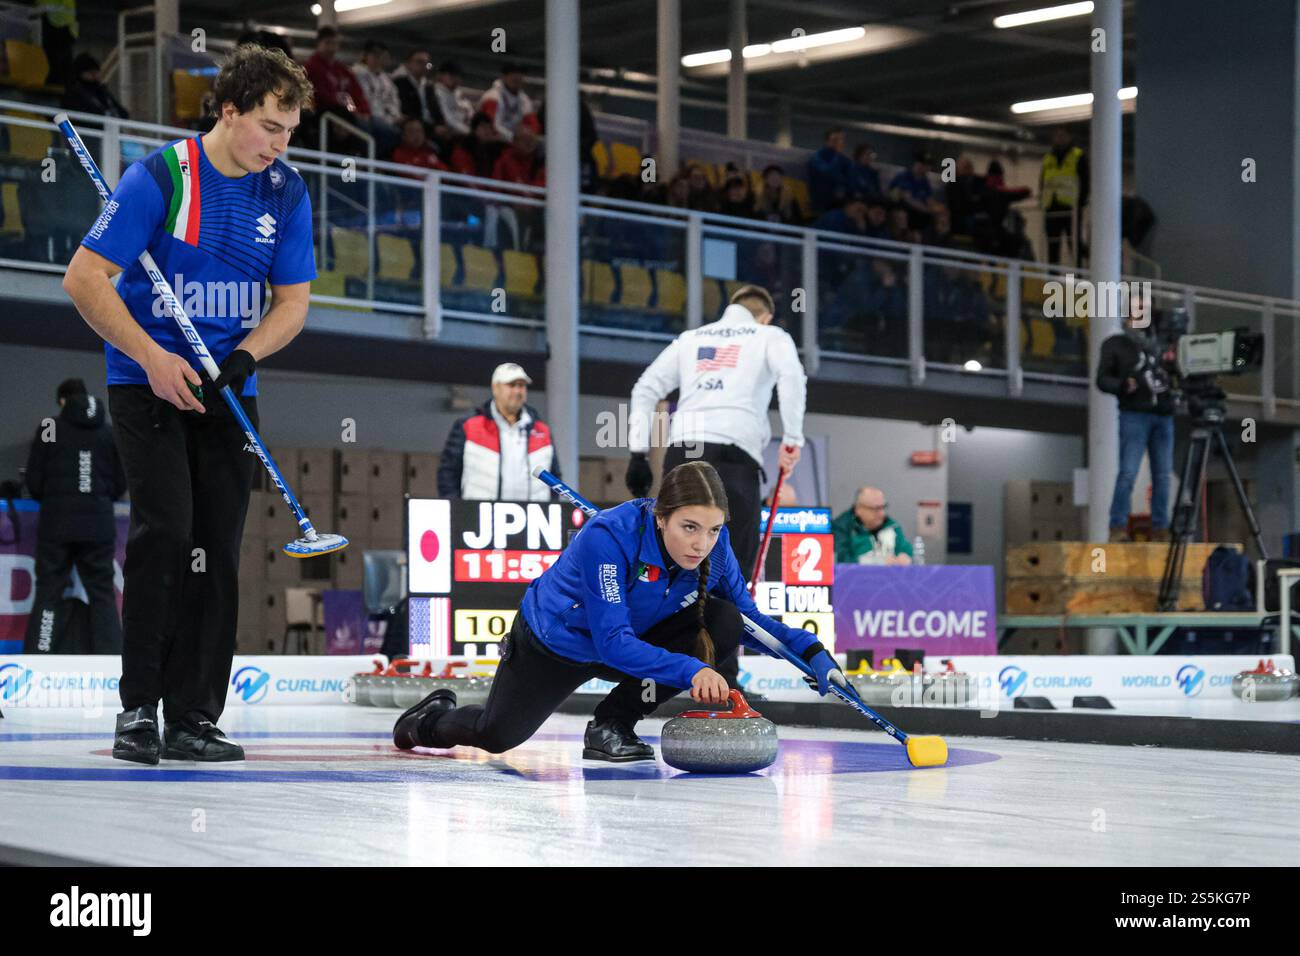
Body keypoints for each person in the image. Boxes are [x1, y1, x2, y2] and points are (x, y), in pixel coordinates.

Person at [61, 44, 317, 764]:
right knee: (165, 535)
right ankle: (139, 708)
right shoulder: (159, 179)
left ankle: (195, 716)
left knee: (217, 551)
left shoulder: (286, 192)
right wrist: (150, 353)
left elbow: (293, 303)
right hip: (147, 382)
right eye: (270, 126)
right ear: (228, 110)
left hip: (228, 389)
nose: (280, 143)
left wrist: (245, 356)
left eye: (290, 130)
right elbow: (84, 279)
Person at [393, 461, 845, 760]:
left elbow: (748, 621)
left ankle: (612, 726)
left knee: (723, 621)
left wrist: (813, 653)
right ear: (661, 516)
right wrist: (691, 671)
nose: (701, 543)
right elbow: (612, 643)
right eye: (689, 527)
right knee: (495, 737)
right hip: (557, 643)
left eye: (711, 530)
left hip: (633, 642)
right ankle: (428, 722)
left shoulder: (714, 545)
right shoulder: (606, 539)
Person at [624, 284, 806, 691]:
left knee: (667, 563)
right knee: (728, 570)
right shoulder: (769, 336)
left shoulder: (691, 339)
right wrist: (793, 438)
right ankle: (721, 680)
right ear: (765, 316)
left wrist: (638, 452)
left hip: (682, 456)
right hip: (735, 460)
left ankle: (655, 670)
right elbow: (792, 376)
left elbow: (645, 388)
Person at [23, 379, 126, 654]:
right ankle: (110, 657)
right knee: (102, 593)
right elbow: (120, 483)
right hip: (99, 526)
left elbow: (33, 482)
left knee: (49, 591)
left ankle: (39, 654)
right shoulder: (109, 433)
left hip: (57, 525)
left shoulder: (50, 428)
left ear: (62, 401)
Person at [1096, 298, 1174, 542]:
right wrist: (1122, 385)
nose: (1142, 314)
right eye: (1138, 309)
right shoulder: (1116, 344)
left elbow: (1176, 374)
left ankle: (1161, 527)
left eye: (1146, 310)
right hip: (1134, 414)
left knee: (1162, 475)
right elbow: (1102, 379)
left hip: (1162, 414)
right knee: (1128, 472)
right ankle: (1117, 526)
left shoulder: (1160, 345)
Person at [437, 363, 561, 501]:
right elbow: (448, 474)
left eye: (522, 386)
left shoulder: (542, 431)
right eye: (511, 385)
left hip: (534, 518)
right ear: (495, 388)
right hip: (479, 518)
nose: (517, 391)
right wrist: (458, 511)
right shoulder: (468, 427)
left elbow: (554, 478)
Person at [304, 27, 370, 152]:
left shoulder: (343, 70)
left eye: (334, 43)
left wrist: (364, 111)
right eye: (328, 43)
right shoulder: (311, 67)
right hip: (323, 112)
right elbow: (317, 94)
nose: (331, 47)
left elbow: (358, 93)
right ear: (319, 44)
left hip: (346, 112)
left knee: (375, 127)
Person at [1040, 127, 1088, 264]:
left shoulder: (1078, 155)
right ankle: (1052, 279)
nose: (1059, 138)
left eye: (1063, 135)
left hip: (1070, 206)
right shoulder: (1048, 157)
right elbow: (1043, 181)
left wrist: (1081, 202)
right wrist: (1042, 202)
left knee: (1074, 243)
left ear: (1070, 137)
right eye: (1057, 135)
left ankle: (1079, 276)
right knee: (1052, 246)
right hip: (1051, 205)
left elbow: (1084, 180)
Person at [832, 486, 913, 565]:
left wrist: (905, 556)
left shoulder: (891, 525)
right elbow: (841, 560)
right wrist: (877, 562)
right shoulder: (841, 527)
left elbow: (905, 548)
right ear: (858, 509)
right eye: (876, 509)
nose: (882, 513)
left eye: (883, 507)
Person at [352, 40, 401, 156]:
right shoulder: (357, 73)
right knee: (389, 133)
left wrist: (395, 116)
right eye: (375, 55)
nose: (378, 59)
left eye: (381, 56)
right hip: (367, 116)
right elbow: (363, 98)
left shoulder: (387, 80)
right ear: (366, 56)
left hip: (386, 118)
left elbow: (393, 102)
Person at [476, 63, 538, 142]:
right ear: (504, 77)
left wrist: (528, 136)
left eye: (520, 76)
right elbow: (492, 127)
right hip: (490, 141)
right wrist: (514, 138)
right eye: (513, 76)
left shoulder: (525, 100)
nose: (517, 78)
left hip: (513, 141)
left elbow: (533, 125)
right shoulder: (492, 97)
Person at [61, 53, 129, 119]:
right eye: (90, 72)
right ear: (80, 74)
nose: (94, 75)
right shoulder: (74, 93)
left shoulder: (102, 91)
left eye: (96, 72)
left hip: (111, 127)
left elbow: (123, 113)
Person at [807, 126, 853, 213]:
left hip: (840, 202)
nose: (839, 143)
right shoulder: (817, 158)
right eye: (835, 140)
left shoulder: (846, 161)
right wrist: (838, 155)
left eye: (841, 139)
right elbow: (828, 173)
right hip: (821, 202)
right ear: (827, 141)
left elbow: (850, 180)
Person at [888, 151, 939, 228]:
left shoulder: (925, 182)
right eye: (922, 163)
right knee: (902, 216)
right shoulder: (903, 176)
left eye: (927, 165)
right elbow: (907, 198)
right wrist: (926, 209)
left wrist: (937, 209)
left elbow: (929, 200)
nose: (924, 167)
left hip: (918, 213)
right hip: (902, 209)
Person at [392, 49, 435, 133]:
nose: (424, 65)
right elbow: (405, 109)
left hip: (430, 124)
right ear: (408, 64)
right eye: (419, 62)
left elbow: (435, 110)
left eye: (427, 63)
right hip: (414, 123)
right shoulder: (400, 83)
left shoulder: (429, 87)